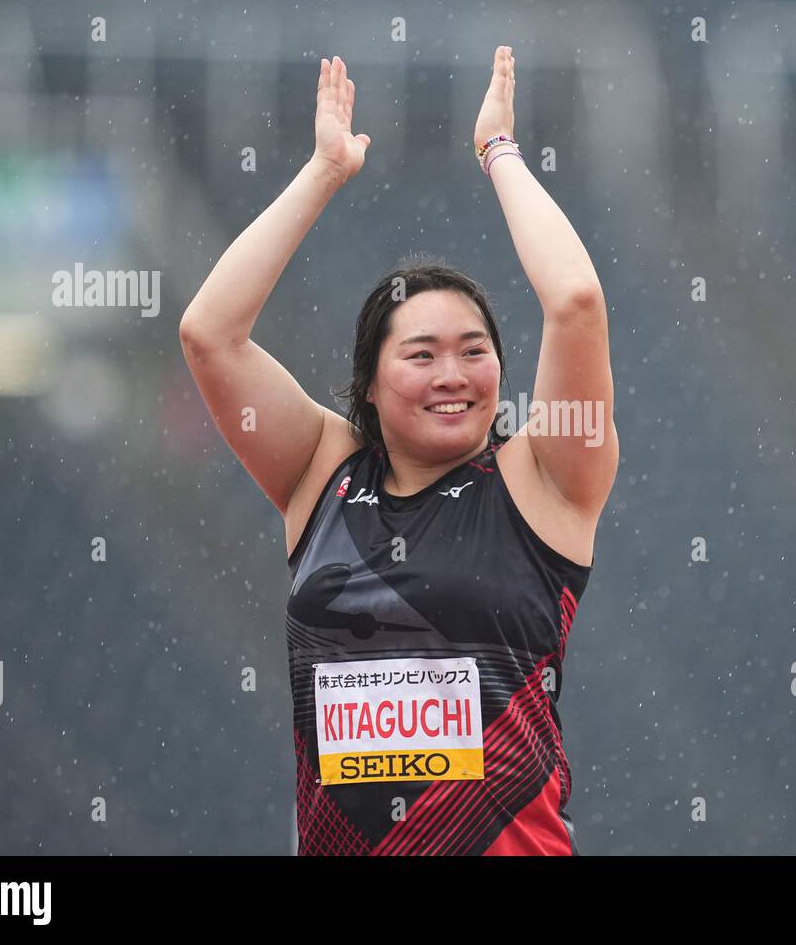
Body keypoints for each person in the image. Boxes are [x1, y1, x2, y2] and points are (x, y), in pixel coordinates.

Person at [179, 47, 618, 854]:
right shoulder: (322, 472)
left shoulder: (546, 480)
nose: (453, 375)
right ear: (370, 385)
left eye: (474, 349)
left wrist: (499, 150)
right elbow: (210, 334)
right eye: (421, 355)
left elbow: (576, 299)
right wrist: (323, 171)